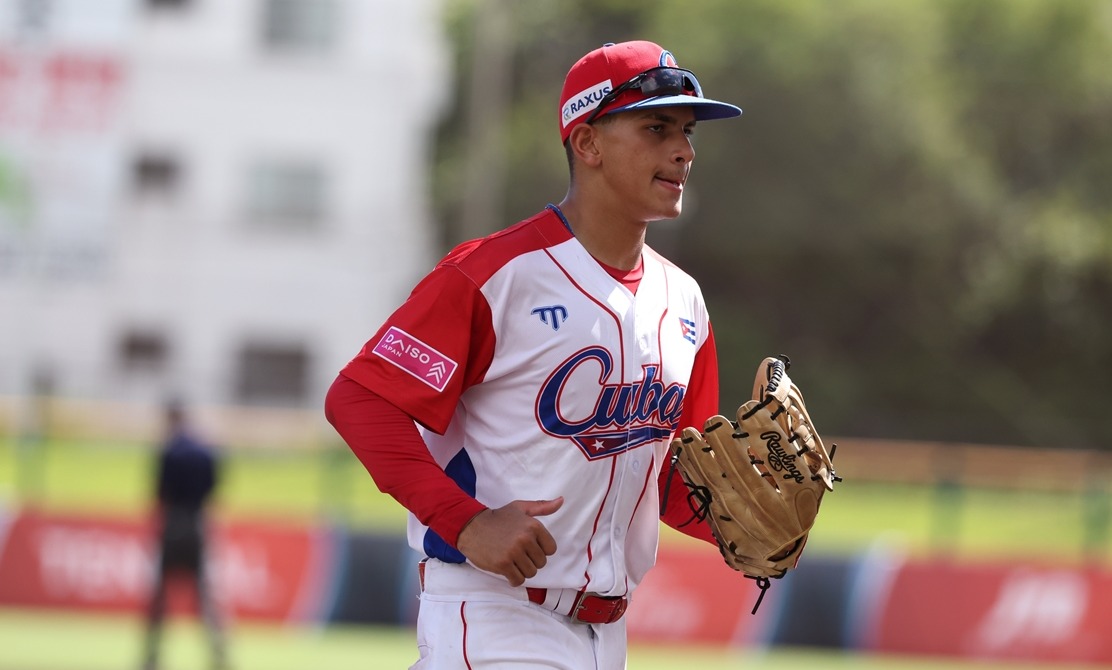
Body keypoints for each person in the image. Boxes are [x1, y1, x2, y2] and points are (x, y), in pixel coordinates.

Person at [325, 40, 742, 669]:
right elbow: (359, 399)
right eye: (656, 128)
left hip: (608, 631)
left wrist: (740, 526)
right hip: (497, 612)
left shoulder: (683, 301)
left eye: (685, 131)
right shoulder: (497, 274)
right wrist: (463, 522)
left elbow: (670, 477)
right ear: (588, 142)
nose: (682, 150)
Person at [142, 400, 226, 670]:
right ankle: (218, 656)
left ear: (170, 417)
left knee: (160, 595)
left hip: (174, 524)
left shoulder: (169, 451)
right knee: (205, 596)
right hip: (198, 523)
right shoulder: (205, 450)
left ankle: (152, 657)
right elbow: (214, 487)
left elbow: (160, 493)